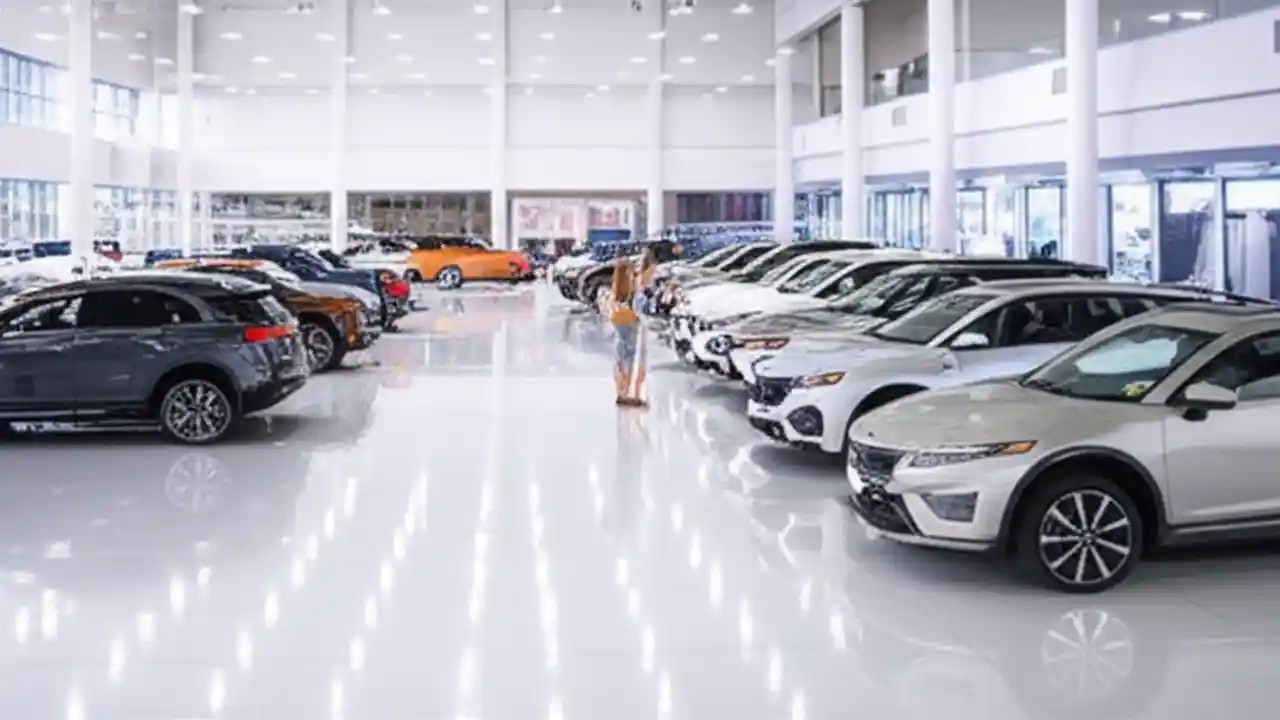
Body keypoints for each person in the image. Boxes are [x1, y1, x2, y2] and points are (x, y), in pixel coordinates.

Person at [609, 258, 647, 407]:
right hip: (631, 324)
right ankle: (630, 392)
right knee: (631, 358)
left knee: (619, 358)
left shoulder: (615, 290)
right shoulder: (633, 291)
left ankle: (620, 391)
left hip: (618, 324)